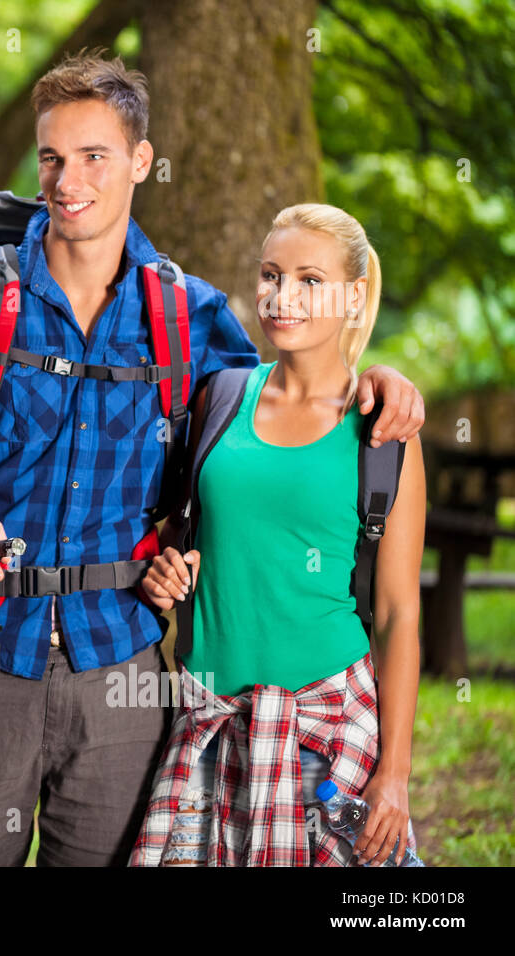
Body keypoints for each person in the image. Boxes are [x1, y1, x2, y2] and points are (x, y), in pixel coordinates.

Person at [0, 48, 425, 866]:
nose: (67, 180)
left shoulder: (192, 317)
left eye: (95, 156)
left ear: (141, 161)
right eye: (52, 157)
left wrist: (382, 378)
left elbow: (275, 417)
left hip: (123, 672)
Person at [130, 203, 424, 866]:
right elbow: (187, 536)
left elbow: (400, 613)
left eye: (309, 280)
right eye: (271, 275)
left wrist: (396, 775)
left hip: (326, 726)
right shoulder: (222, 396)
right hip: (208, 720)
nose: (282, 296)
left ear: (354, 296)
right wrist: (168, 569)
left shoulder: (382, 432)